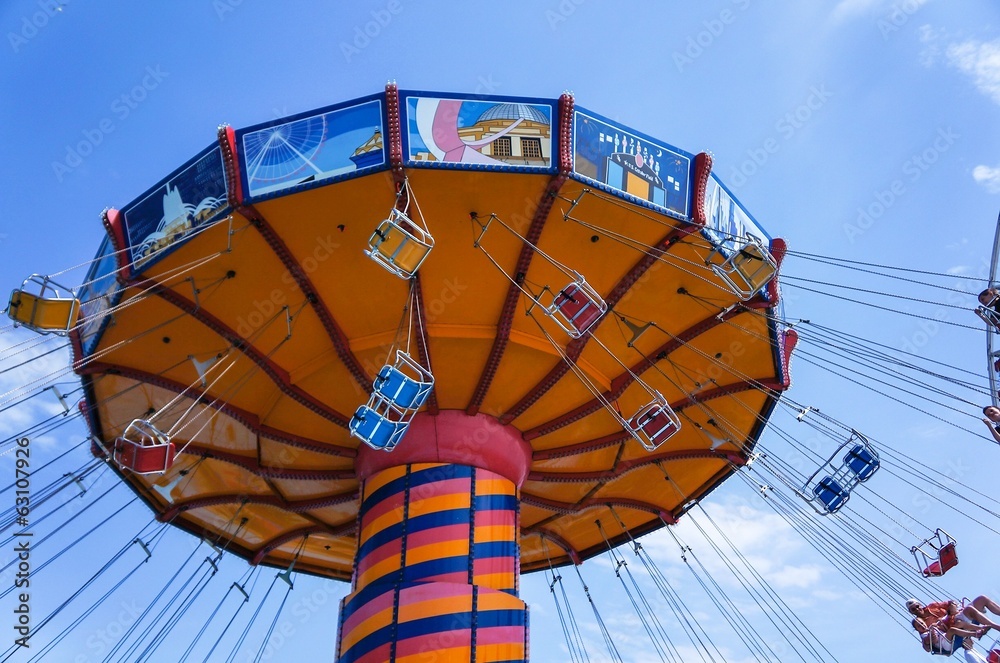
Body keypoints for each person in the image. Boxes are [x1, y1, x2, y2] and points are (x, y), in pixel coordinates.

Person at [908, 596, 1000, 633]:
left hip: (958, 614)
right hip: (953, 625)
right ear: (911, 612)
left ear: (920, 605)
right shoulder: (920, 624)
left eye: (917, 606)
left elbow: (951, 602)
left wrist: (953, 607)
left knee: (982, 599)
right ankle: (997, 627)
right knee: (969, 609)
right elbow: (927, 640)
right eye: (913, 609)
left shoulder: (932, 606)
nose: (917, 609)